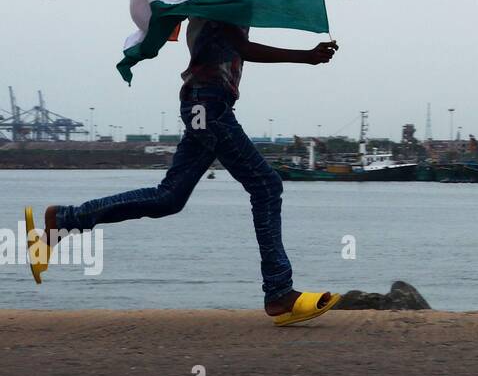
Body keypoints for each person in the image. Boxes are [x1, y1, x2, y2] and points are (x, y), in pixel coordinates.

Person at [25, 19, 343, 326]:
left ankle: (64, 219)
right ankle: (279, 292)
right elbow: (239, 45)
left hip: (203, 104)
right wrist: (305, 57)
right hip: (208, 105)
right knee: (267, 186)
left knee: (169, 198)